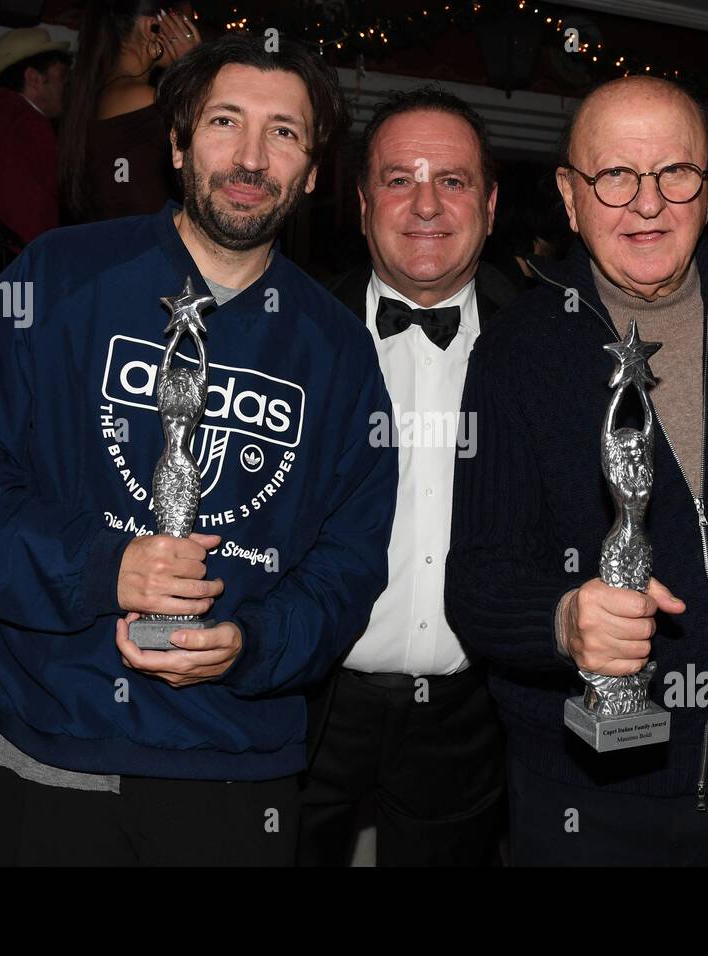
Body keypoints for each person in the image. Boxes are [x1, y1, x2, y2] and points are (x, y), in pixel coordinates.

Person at [0, 34, 396, 866]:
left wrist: (255, 646)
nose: (249, 156)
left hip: (240, 765)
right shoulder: (58, 276)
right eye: (223, 121)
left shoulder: (341, 353)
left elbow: (348, 565)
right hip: (54, 748)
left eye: (284, 133)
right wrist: (99, 568)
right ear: (174, 143)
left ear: (312, 174)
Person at [444, 76, 708, 866]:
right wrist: (562, 619)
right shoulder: (513, 354)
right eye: (614, 177)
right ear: (571, 198)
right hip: (583, 792)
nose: (647, 204)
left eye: (674, 173)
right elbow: (477, 580)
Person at [299, 87, 513, 867]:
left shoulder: (545, 342)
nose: (426, 204)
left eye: (452, 181)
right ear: (362, 205)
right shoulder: (295, 333)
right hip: (308, 698)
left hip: (469, 715)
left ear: (489, 204)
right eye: (399, 179)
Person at [58, 1, 200, 222]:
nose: (192, 33)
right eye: (186, 24)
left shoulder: (92, 96)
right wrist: (196, 65)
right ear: (151, 28)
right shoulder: (145, 99)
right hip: (149, 249)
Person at [0, 28, 72, 247]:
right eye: (61, 77)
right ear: (33, 78)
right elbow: (65, 189)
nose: (65, 87)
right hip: (29, 258)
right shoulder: (29, 122)